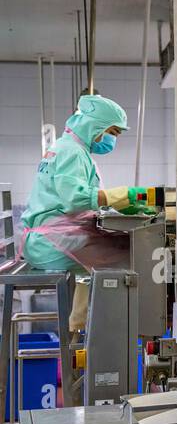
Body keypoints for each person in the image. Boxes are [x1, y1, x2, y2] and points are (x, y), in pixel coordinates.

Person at [19, 94, 148, 331]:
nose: (112, 139)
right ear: (95, 125)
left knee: (120, 248)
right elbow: (74, 199)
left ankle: (80, 326)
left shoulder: (68, 147)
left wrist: (119, 203)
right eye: (113, 132)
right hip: (50, 241)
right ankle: (108, 330)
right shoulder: (72, 151)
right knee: (135, 256)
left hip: (48, 236)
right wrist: (122, 196)